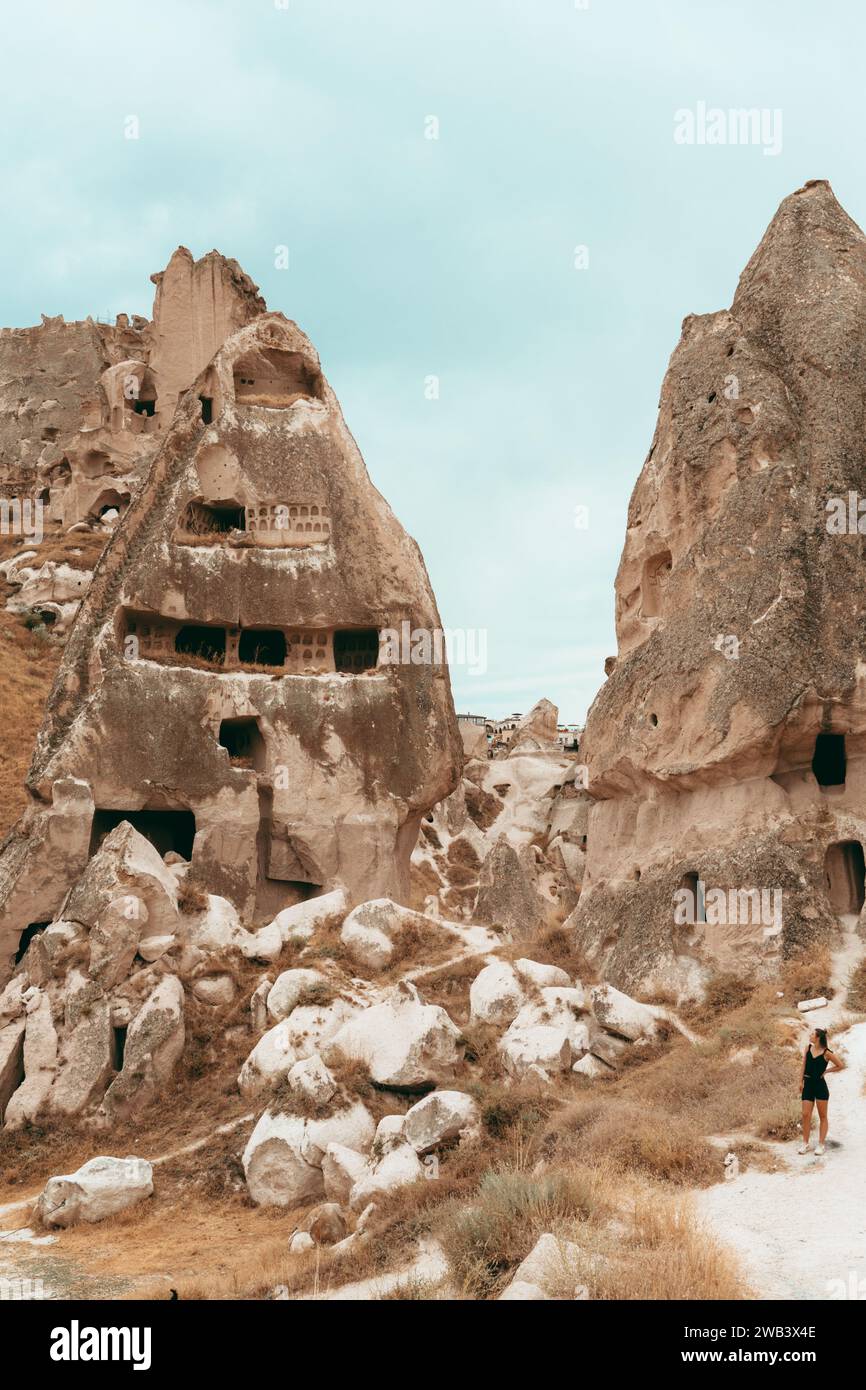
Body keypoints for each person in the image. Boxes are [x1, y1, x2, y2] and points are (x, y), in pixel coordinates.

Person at [798, 1026, 845, 1155]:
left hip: (820, 1086)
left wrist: (827, 1071)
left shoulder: (827, 1053)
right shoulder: (808, 1048)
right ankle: (805, 1144)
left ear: (818, 1037)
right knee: (805, 1114)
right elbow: (803, 1066)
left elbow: (840, 1065)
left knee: (822, 1116)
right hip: (808, 1085)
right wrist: (800, 1081)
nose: (810, 1035)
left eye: (812, 1034)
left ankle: (821, 1145)